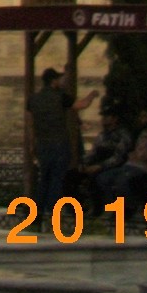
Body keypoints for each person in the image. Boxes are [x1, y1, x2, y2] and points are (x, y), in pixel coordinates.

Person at [28, 68, 91, 202]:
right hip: (59, 143)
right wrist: (92, 95)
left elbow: (31, 124)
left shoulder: (33, 99)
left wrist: (32, 144)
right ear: (53, 81)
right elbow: (81, 105)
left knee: (44, 178)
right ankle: (52, 212)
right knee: (57, 179)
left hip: (42, 143)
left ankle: (39, 212)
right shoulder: (60, 97)